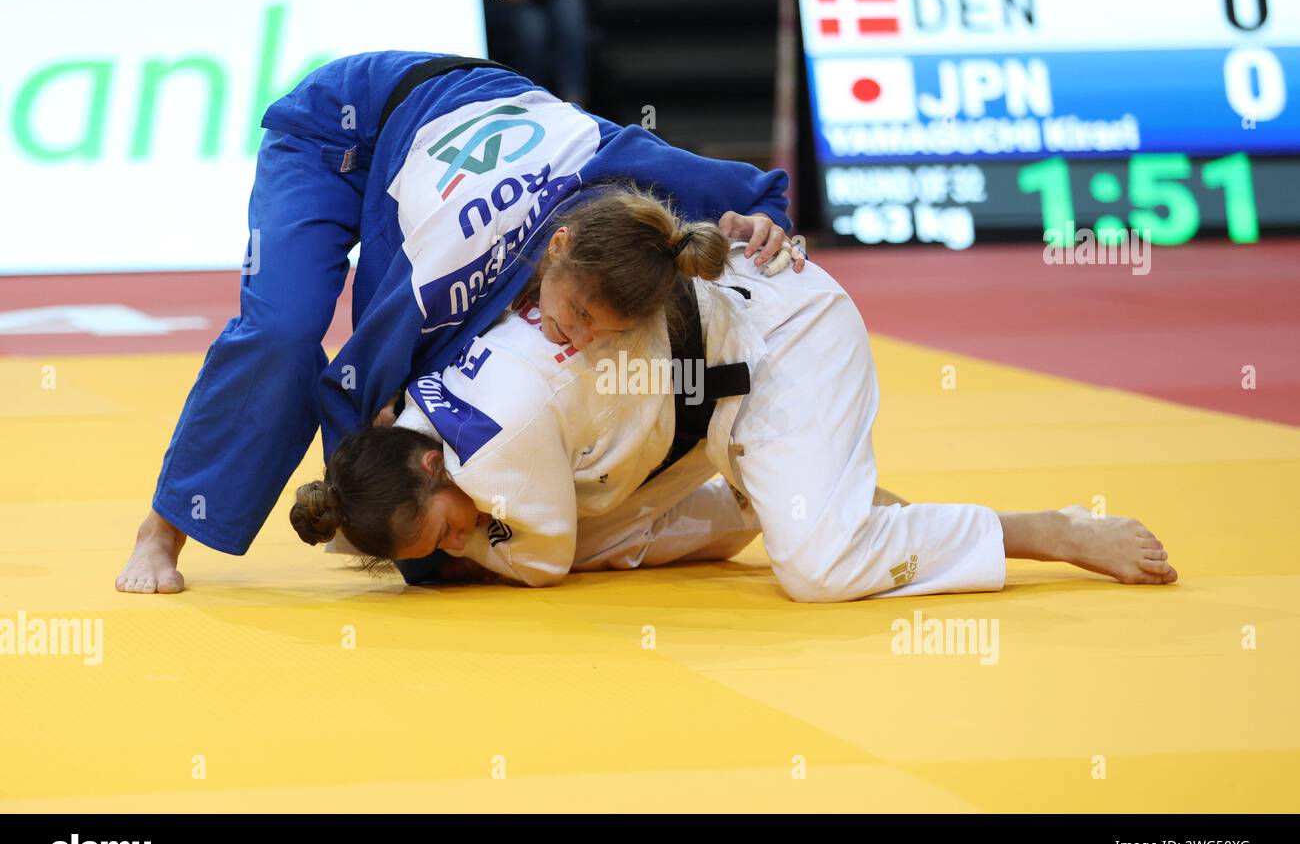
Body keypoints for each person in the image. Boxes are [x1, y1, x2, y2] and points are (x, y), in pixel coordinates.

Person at [115, 51, 798, 594]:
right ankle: (164, 527)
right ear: (553, 253)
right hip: (335, 129)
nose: (579, 336)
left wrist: (768, 223)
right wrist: (386, 521)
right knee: (285, 332)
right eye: (577, 316)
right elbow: (357, 382)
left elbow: (758, 193)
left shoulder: (603, 155)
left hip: (472, 113)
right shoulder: (438, 264)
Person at [290, 211, 1178, 602]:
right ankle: (821, 499)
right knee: (629, 526)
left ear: (429, 458)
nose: (452, 545)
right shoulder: (421, 412)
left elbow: (551, 556)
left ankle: (1042, 531)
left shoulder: (498, 438)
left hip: (786, 347)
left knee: (815, 571)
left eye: (441, 530)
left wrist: (752, 211)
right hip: (700, 412)